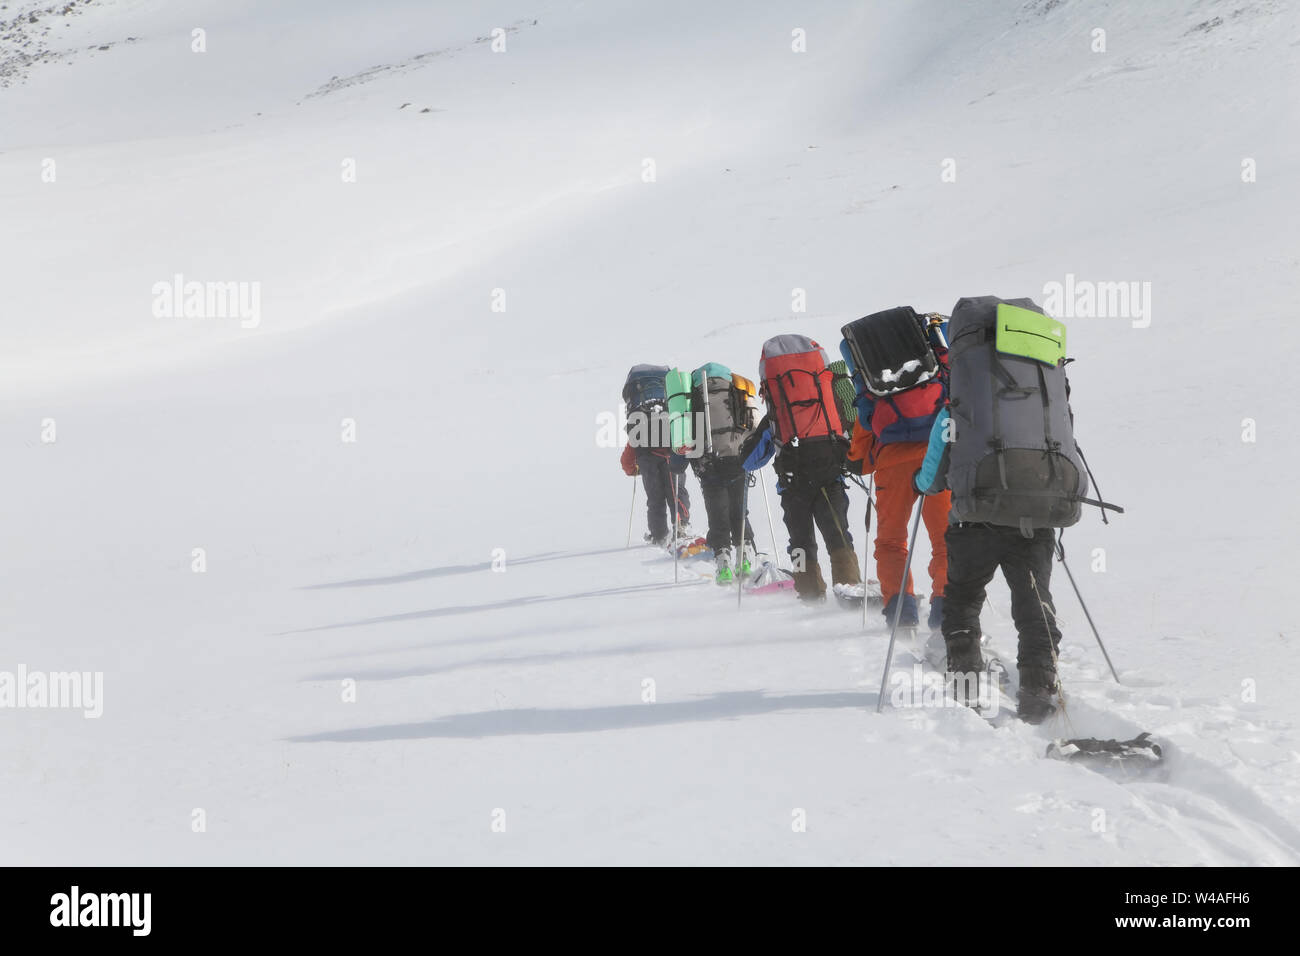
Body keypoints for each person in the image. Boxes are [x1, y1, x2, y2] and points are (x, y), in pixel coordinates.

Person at [845, 311, 951, 631]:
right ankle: (946, 608)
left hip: (892, 464)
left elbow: (865, 425)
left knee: (891, 542)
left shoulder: (872, 375)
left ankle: (901, 612)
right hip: (940, 454)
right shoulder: (935, 363)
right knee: (946, 540)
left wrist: (858, 460)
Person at [685, 363, 758, 584]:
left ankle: (723, 563)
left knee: (717, 514)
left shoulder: (692, 396)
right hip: (737, 460)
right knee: (739, 511)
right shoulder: (737, 388)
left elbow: (684, 435)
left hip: (709, 464)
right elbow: (753, 425)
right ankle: (744, 556)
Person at [620, 364, 691, 547]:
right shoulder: (670, 411)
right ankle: (682, 525)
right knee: (676, 490)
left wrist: (635, 469)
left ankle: (659, 535)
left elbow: (627, 461)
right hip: (671, 450)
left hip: (646, 455)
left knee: (655, 497)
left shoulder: (638, 419)